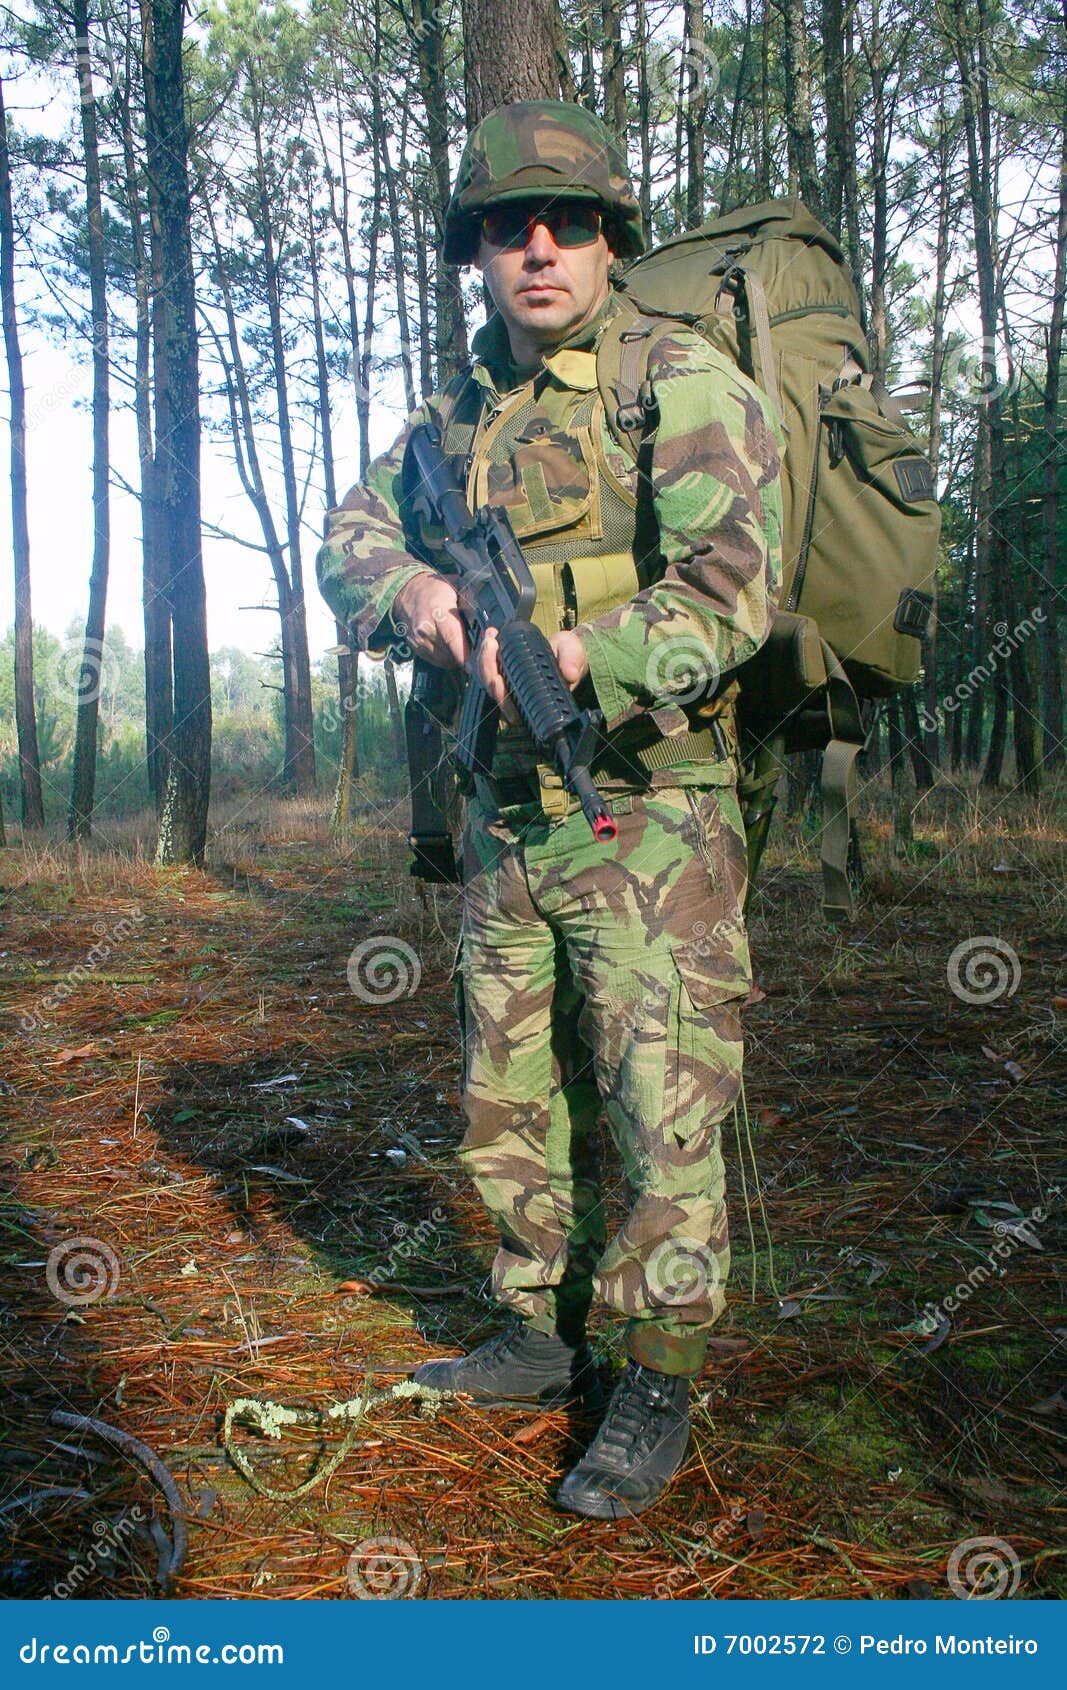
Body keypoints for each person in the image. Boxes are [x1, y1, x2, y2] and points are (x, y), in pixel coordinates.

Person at [316, 100, 784, 1520]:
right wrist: (418, 596)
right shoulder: (452, 415)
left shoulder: (680, 384)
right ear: (478, 251)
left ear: (607, 242)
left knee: (663, 1102)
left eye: (565, 223)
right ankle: (536, 1320)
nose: (536, 247)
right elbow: (351, 534)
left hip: (649, 812)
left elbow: (737, 588)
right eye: (508, 226)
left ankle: (651, 1366)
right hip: (506, 818)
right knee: (510, 1091)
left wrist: (587, 654)